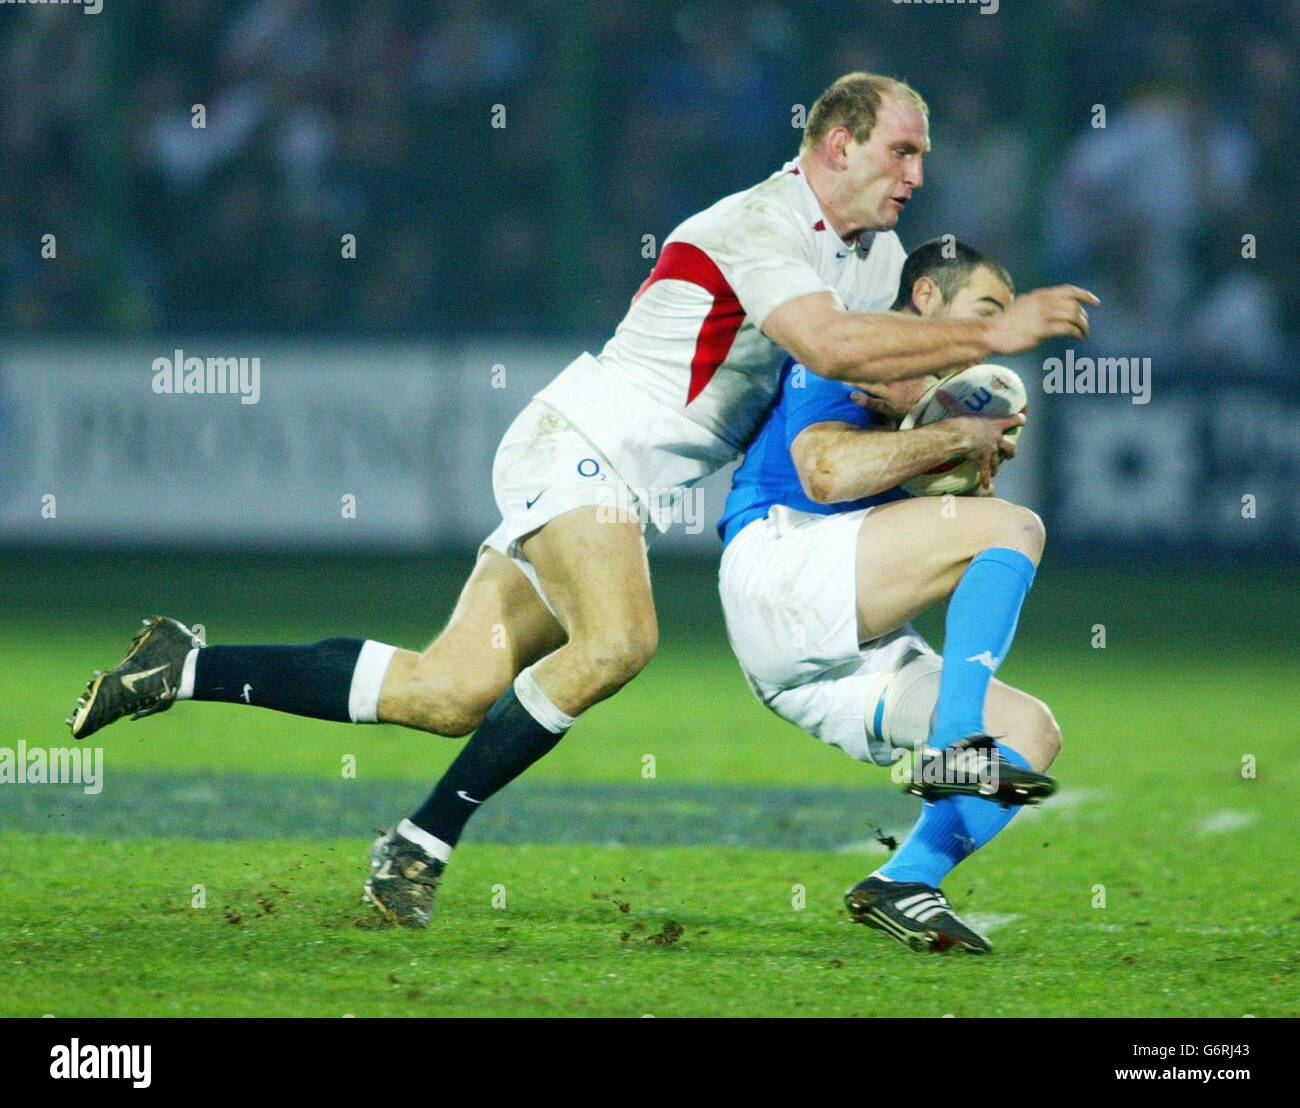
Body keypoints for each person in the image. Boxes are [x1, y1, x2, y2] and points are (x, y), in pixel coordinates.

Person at [68, 74, 1095, 929]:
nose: (918, 176)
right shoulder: (758, 224)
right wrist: (987, 340)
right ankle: (420, 843)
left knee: (446, 688)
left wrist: (950, 439)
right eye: (901, 153)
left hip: (611, 481)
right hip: (579, 447)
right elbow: (829, 348)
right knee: (618, 641)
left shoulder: (868, 258)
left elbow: (855, 385)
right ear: (836, 144)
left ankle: (182, 663)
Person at [717, 239, 1061, 953]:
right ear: (928, 298)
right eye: (987, 308)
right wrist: (957, 440)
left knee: (1031, 734)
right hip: (779, 568)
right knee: (1016, 528)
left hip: (826, 653)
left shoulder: (927, 392)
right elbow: (824, 474)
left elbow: (932, 544)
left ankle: (904, 882)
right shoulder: (853, 347)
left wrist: (968, 465)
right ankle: (953, 741)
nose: (997, 328)